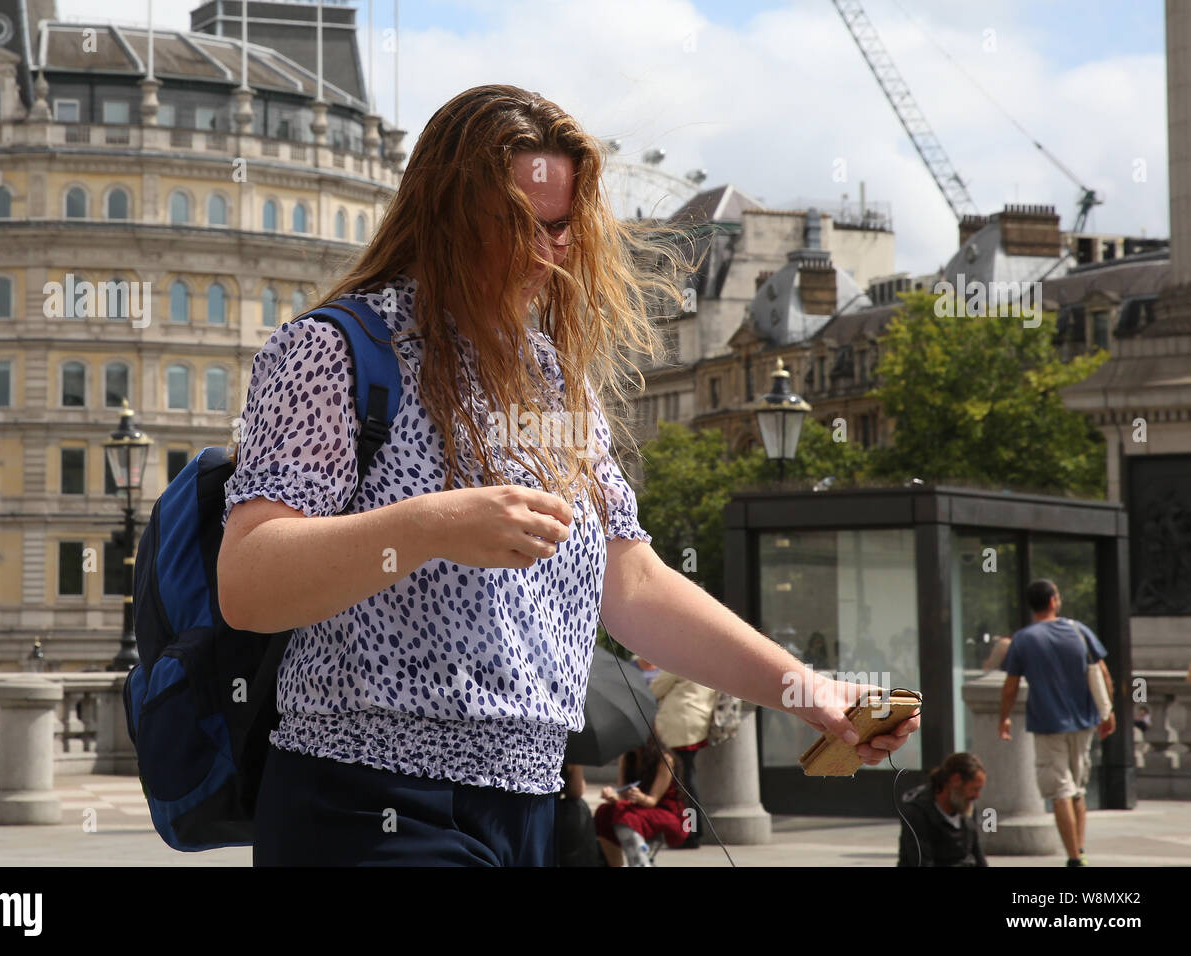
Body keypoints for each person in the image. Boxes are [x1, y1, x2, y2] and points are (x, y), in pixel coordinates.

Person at [217, 84, 921, 867]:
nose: (546, 253)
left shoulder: (556, 381)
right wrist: (430, 525)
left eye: (561, 228)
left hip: (536, 806)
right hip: (366, 802)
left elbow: (635, 585)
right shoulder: (333, 350)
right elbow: (248, 583)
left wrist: (811, 694)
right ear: (444, 219)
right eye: (518, 226)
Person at [998, 579, 1115, 867]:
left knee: (1061, 790)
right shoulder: (1079, 630)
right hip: (1084, 721)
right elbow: (1103, 673)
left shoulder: (1023, 639)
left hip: (1048, 723)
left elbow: (1010, 686)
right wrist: (1107, 712)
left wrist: (1004, 718)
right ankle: (1081, 849)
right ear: (1053, 601)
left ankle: (1074, 857)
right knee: (1078, 788)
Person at [649, 666, 718, 849]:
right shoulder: (707, 659)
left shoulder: (680, 657)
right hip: (695, 723)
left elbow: (658, 687)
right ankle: (691, 831)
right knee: (687, 779)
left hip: (679, 725)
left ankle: (689, 833)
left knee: (684, 783)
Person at [593, 739, 687, 866]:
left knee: (627, 817)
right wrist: (613, 796)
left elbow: (652, 800)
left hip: (664, 811)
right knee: (603, 812)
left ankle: (639, 863)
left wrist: (639, 796)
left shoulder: (664, 760)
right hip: (637, 807)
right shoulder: (626, 757)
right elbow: (622, 797)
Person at [897, 752, 988, 867]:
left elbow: (977, 853)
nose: (977, 796)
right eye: (975, 789)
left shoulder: (966, 806)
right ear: (956, 780)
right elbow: (921, 862)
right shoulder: (918, 812)